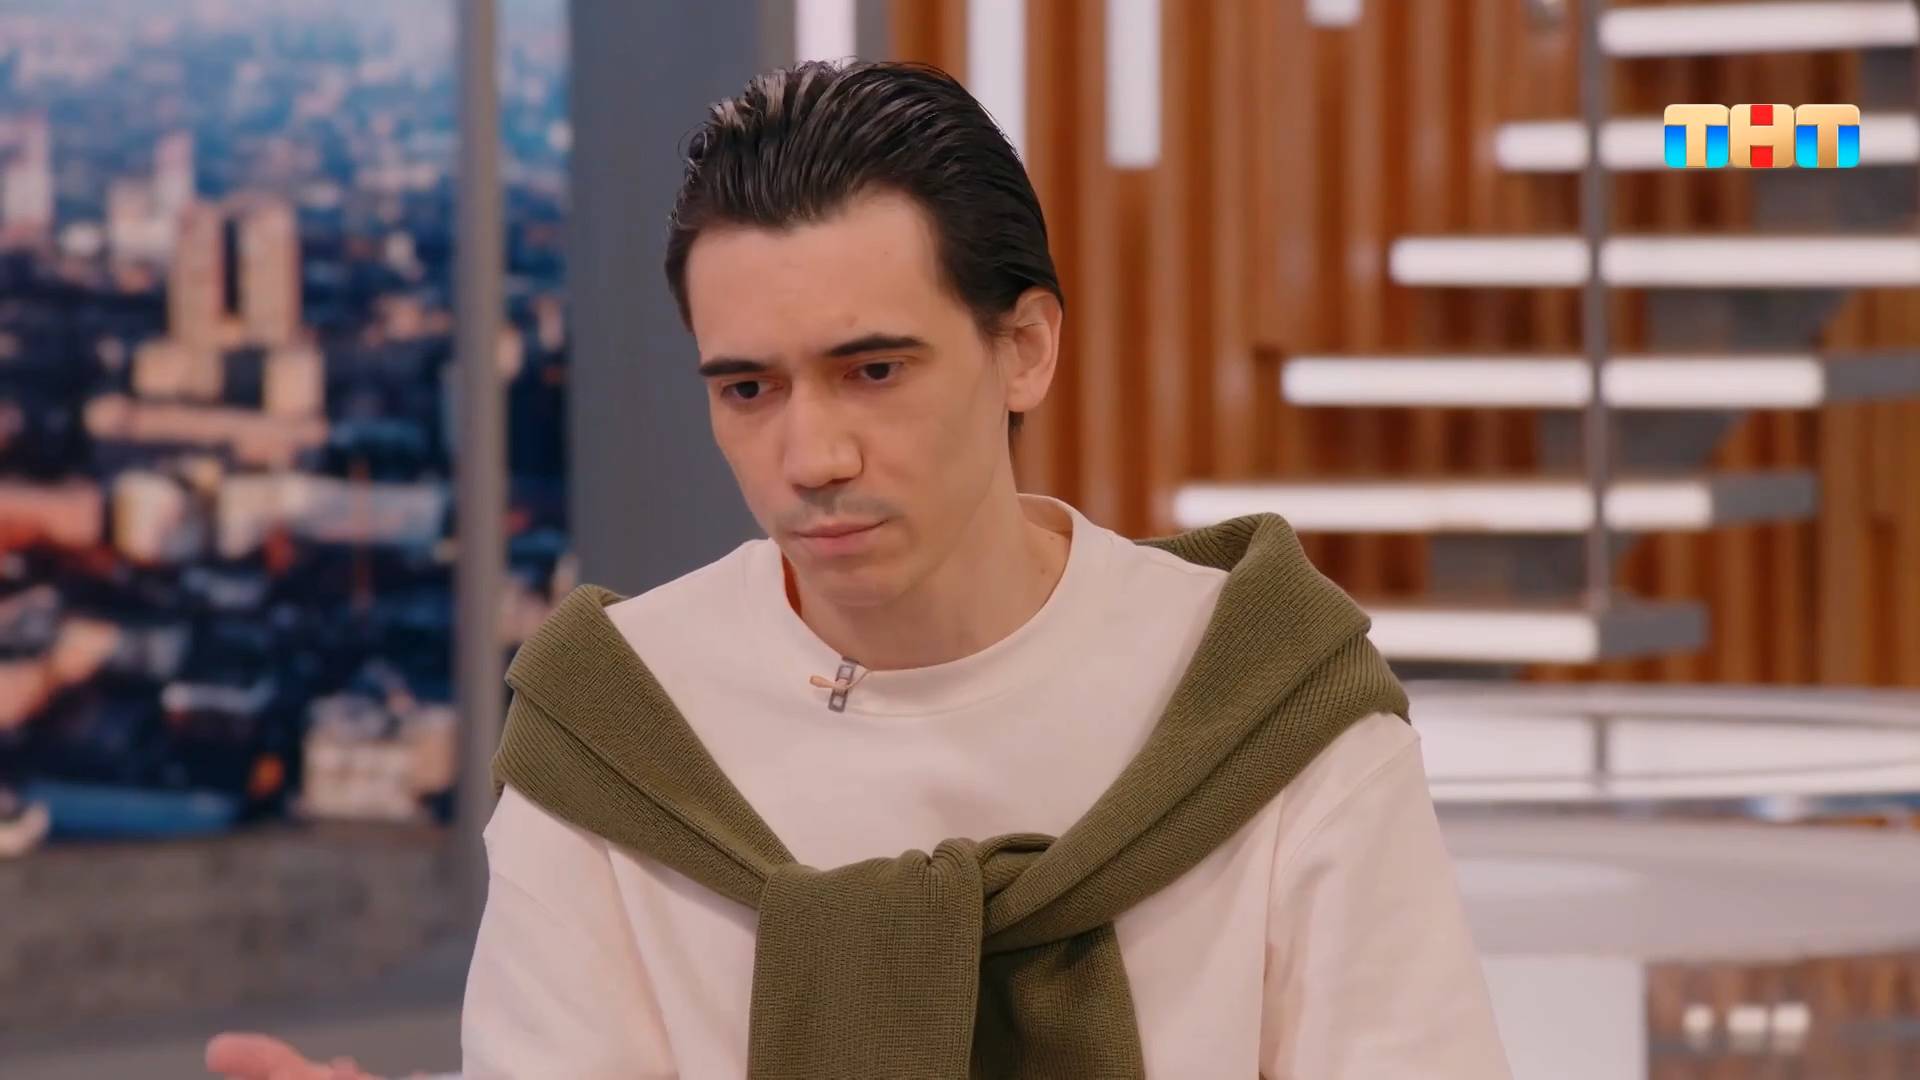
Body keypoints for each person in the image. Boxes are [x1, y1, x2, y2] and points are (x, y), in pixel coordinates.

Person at [208, 60, 1510, 1079]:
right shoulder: (614, 727)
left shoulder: (1267, 707)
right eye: (748, 388)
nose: (810, 457)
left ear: (1025, 350)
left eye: (874, 370)